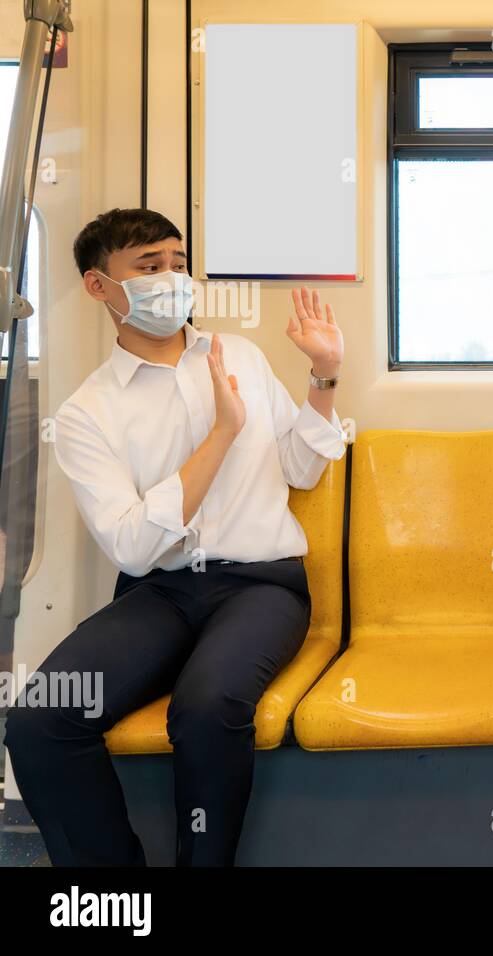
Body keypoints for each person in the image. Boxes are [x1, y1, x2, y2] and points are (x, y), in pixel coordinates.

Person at [5, 208, 347, 865]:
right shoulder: (86, 413)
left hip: (261, 584)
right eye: (149, 266)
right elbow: (134, 546)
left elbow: (301, 466)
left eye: (178, 262)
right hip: (159, 591)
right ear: (100, 286)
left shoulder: (238, 356)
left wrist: (323, 378)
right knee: (38, 720)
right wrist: (221, 434)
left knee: (208, 704)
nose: (172, 278)